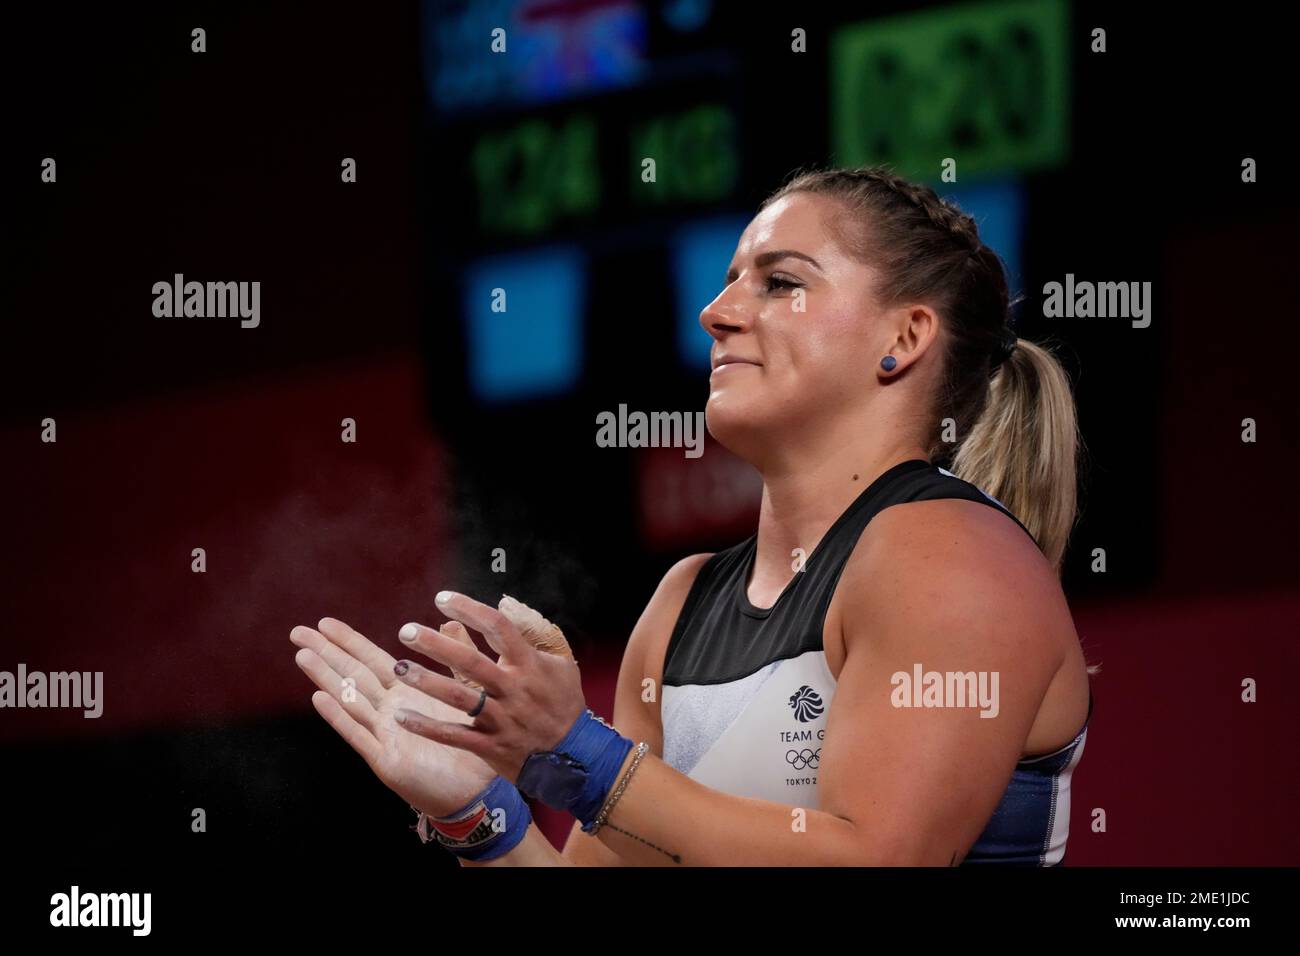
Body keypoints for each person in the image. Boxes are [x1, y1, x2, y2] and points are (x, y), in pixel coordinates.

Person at [290, 165, 1094, 866]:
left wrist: (573, 751)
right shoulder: (684, 602)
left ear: (905, 336)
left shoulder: (955, 553)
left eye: (781, 283)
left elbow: (882, 858)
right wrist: (476, 811)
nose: (715, 312)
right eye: (730, 279)